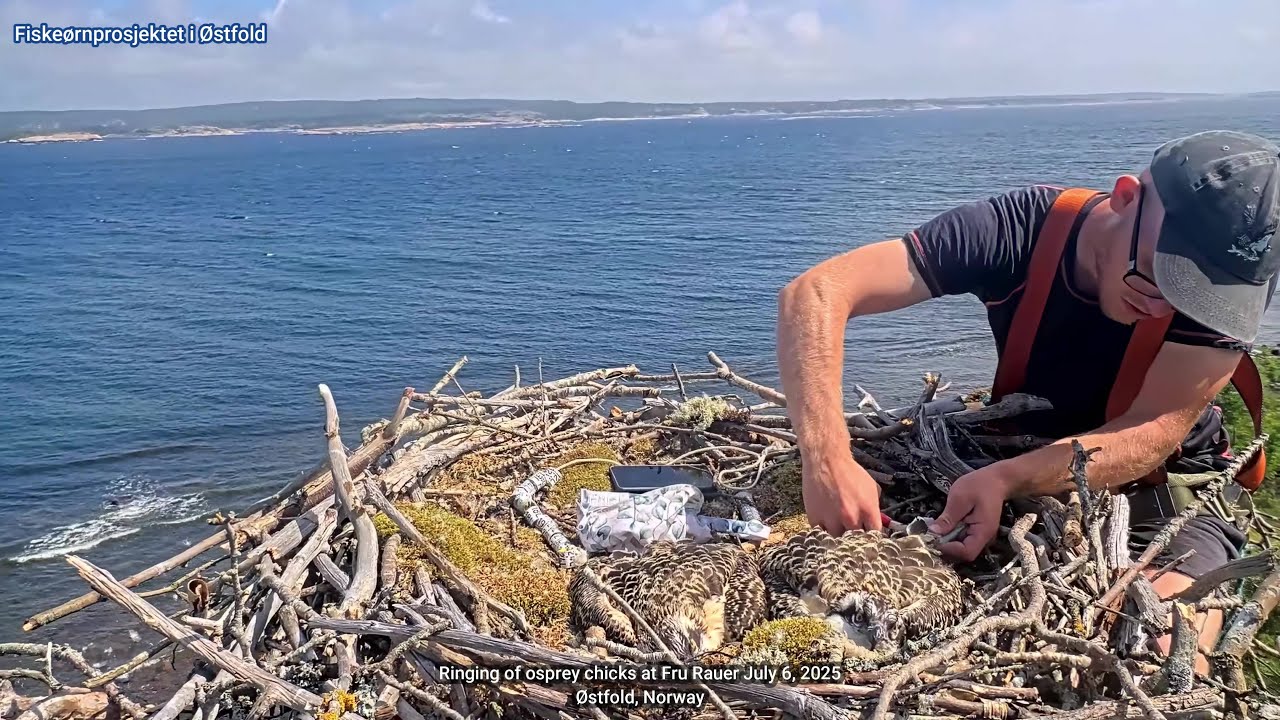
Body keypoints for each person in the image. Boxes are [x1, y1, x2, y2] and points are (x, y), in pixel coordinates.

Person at [776, 130, 1280, 670]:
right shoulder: (1019, 228)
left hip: (1159, 488)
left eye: (1202, 294)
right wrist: (826, 459)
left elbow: (1153, 429)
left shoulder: (1232, 285)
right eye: (1164, 275)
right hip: (1012, 442)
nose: (1168, 307)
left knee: (1164, 656)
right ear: (1126, 197)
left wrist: (1005, 480)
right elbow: (817, 292)